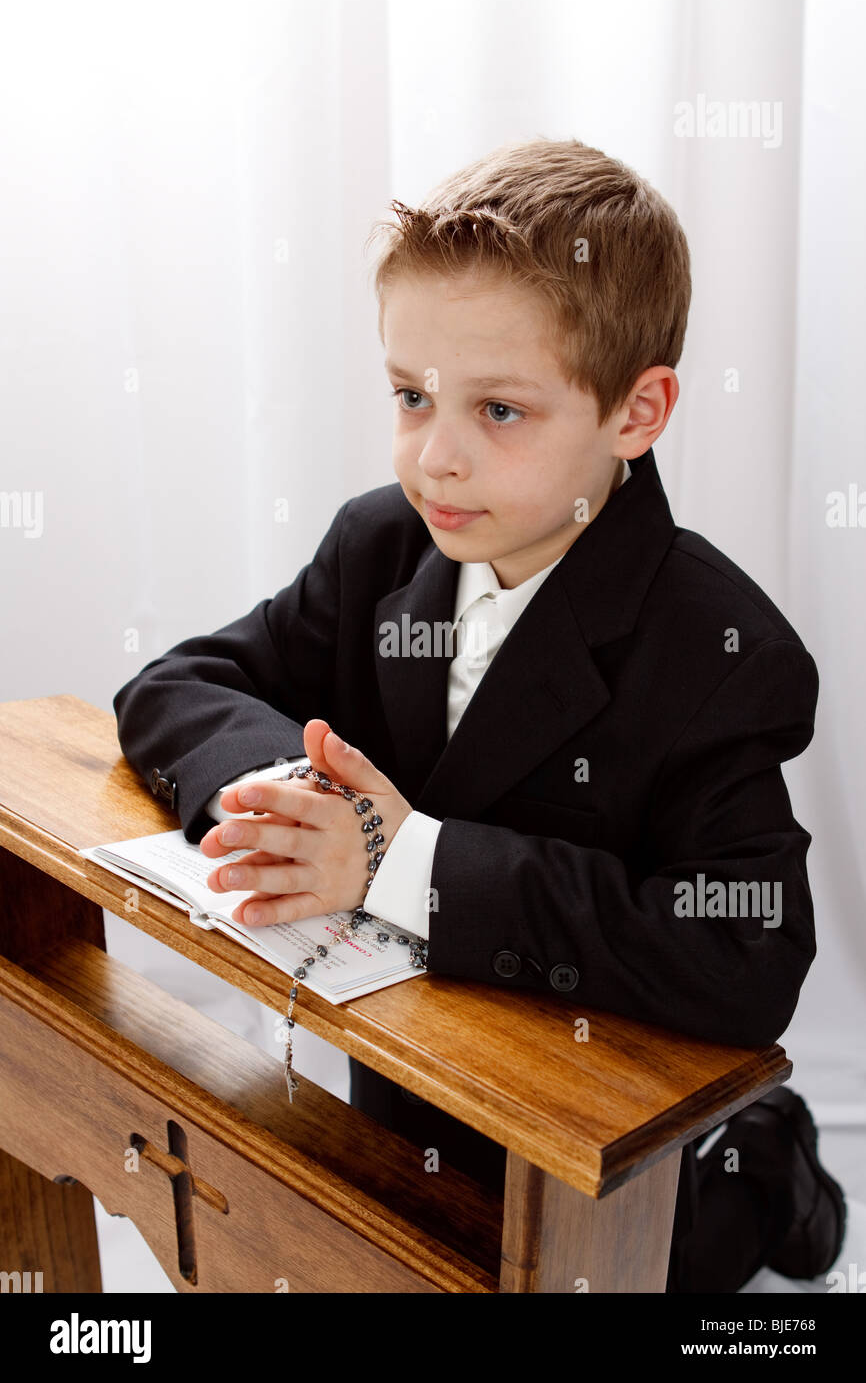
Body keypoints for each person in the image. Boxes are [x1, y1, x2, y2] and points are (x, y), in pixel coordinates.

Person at [113, 137, 845, 1293]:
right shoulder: (379, 546)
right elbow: (176, 685)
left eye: (498, 409)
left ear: (634, 411)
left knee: (674, 1259)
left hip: (588, 1146)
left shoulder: (722, 651)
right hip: (397, 1089)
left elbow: (746, 951)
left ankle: (768, 1169)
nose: (432, 456)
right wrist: (302, 800)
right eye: (409, 396)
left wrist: (408, 862)